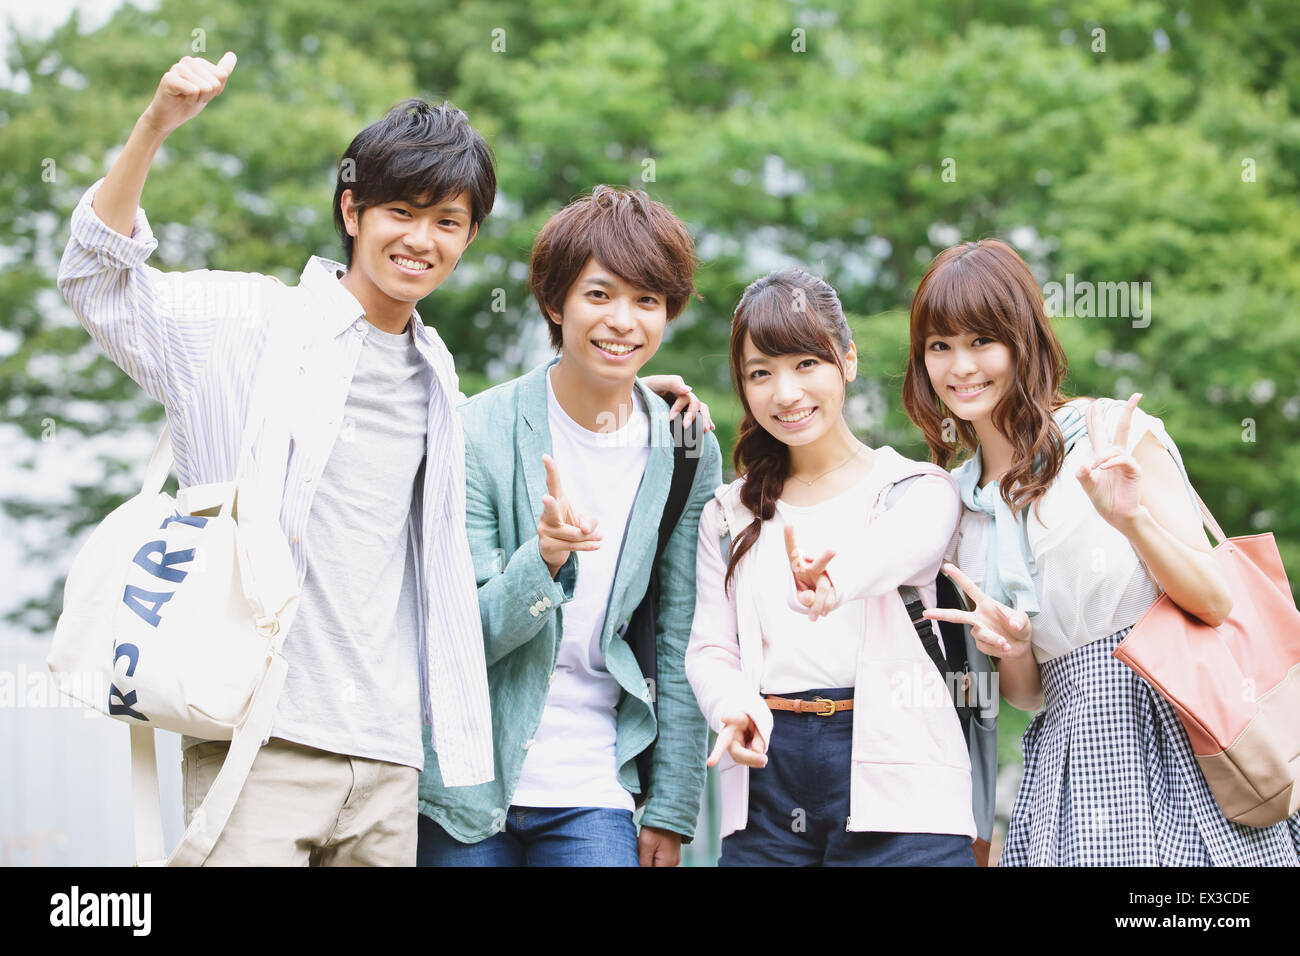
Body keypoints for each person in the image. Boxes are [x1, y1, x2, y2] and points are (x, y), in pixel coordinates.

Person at [55, 53, 707, 866]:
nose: (422, 240)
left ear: (470, 237)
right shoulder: (247, 322)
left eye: (449, 222)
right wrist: (154, 127)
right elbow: (95, 282)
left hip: (395, 761)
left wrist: (624, 388)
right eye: (403, 210)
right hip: (264, 740)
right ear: (352, 209)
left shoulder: (438, 380)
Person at [904, 238, 1300, 865]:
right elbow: (1029, 693)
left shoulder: (1110, 434)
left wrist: (1132, 521)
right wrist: (1009, 650)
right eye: (940, 346)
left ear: (1022, 338)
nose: (961, 366)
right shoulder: (958, 506)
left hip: (1180, 734)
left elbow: (1215, 597)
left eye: (982, 340)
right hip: (1069, 758)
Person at [415, 186, 722, 867]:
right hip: (466, 779)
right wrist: (543, 560)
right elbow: (460, 638)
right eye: (600, 295)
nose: (624, 321)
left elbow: (680, 633)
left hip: (595, 783)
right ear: (556, 303)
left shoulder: (687, 446)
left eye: (648, 301)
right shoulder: (477, 432)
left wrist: (671, 806)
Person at [685, 268, 977, 866]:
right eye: (760, 373)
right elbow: (711, 648)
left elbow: (898, 550)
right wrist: (730, 705)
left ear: (846, 361)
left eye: (805, 364)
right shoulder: (729, 511)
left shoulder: (916, 489)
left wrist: (830, 581)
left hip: (903, 778)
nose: (785, 393)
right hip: (768, 775)